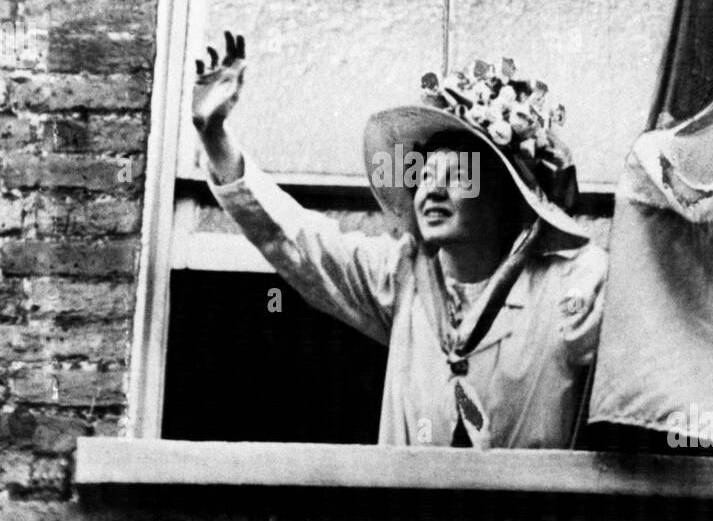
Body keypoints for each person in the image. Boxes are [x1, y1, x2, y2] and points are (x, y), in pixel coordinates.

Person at [191, 32, 607, 449]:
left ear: (504, 195)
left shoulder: (567, 286)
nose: (432, 191)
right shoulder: (404, 276)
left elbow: (644, 329)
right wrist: (215, 137)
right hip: (411, 515)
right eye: (425, 177)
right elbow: (297, 241)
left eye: (459, 176)